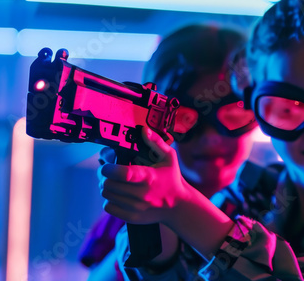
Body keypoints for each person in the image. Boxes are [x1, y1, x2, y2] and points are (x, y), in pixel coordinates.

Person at [97, 0, 304, 280]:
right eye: (289, 108)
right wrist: (156, 211)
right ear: (254, 104)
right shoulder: (257, 190)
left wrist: (179, 206)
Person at [82, 24, 256, 281]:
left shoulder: (273, 202)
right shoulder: (135, 205)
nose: (210, 137)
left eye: (233, 114)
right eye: (184, 117)